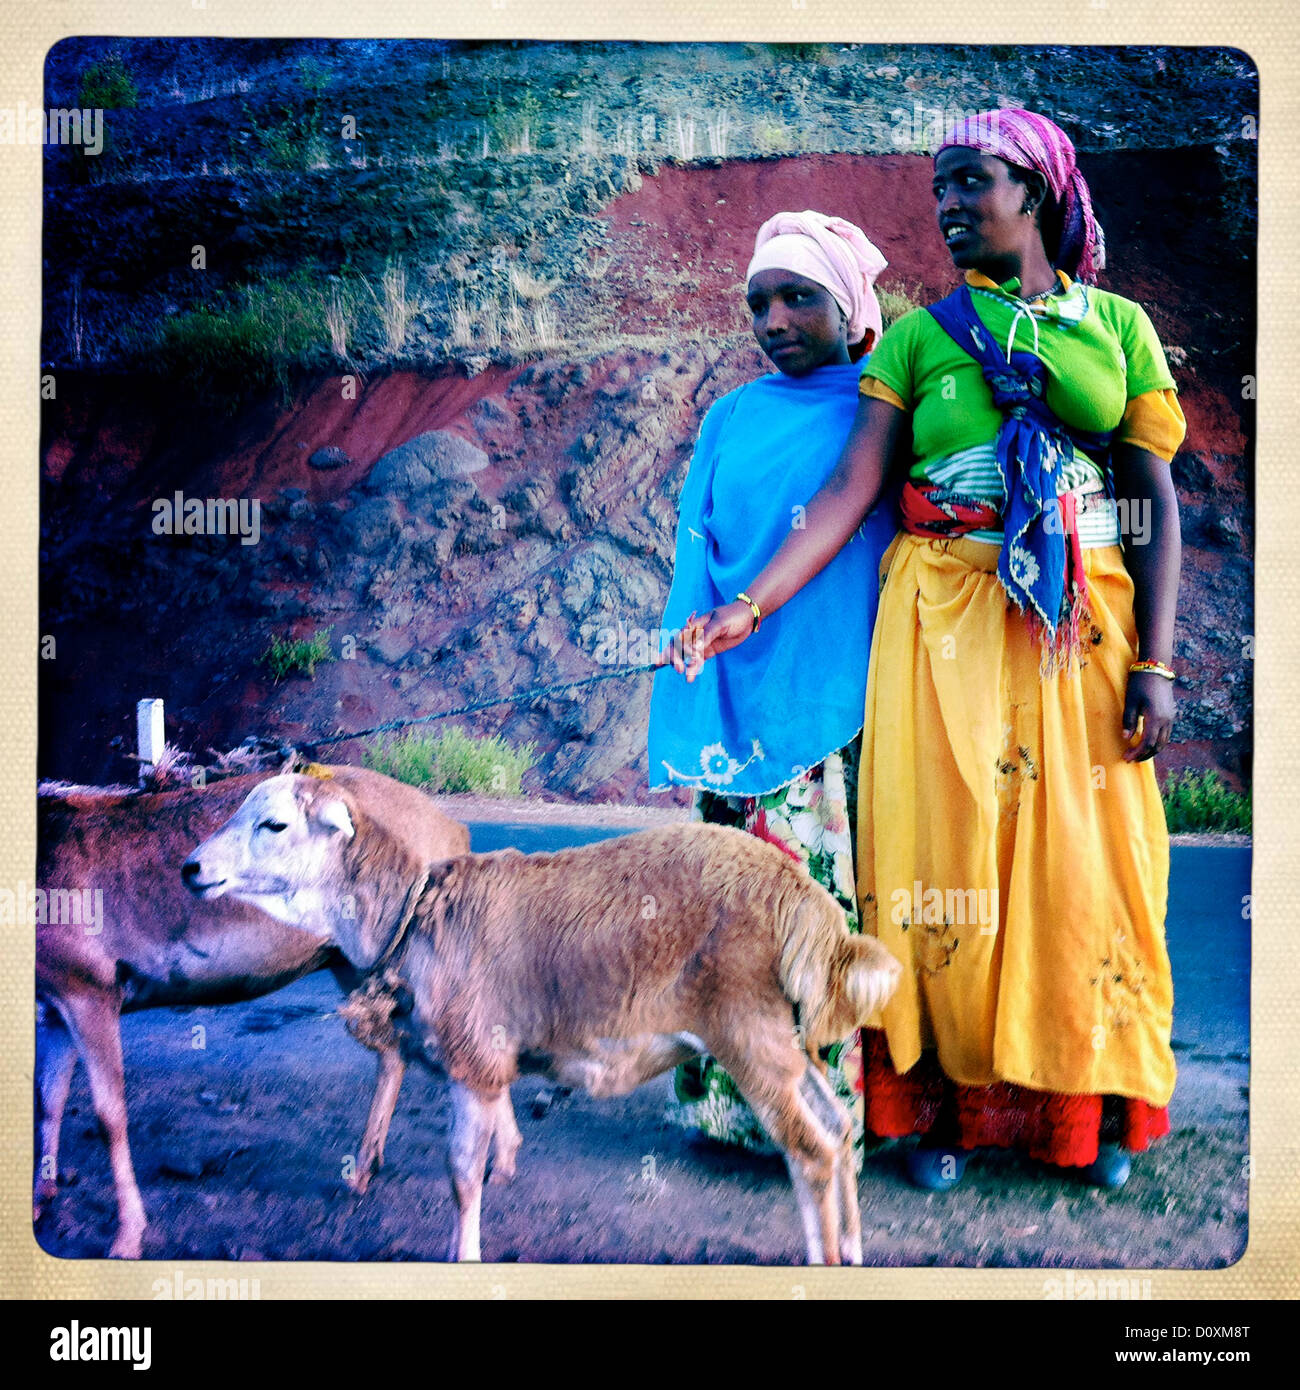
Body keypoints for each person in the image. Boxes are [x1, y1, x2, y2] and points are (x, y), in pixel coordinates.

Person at [674, 110, 1185, 1191]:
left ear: (1037, 190)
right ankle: (946, 1120)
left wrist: (1159, 661)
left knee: (1088, 872)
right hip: (938, 619)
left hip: (1079, 620)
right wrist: (747, 608)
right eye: (939, 185)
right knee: (941, 873)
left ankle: (1082, 1111)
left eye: (972, 181)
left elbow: (1150, 497)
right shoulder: (916, 339)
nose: (948, 203)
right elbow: (849, 490)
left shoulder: (1120, 329)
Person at [647, 210, 898, 1171]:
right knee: (733, 923)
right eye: (759, 302)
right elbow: (696, 550)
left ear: (852, 309)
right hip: (737, 690)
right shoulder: (731, 416)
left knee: (821, 916)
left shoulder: (880, 412)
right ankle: (734, 1111)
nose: (775, 317)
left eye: (800, 297)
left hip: (838, 707)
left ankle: (825, 1116)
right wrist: (697, 643)